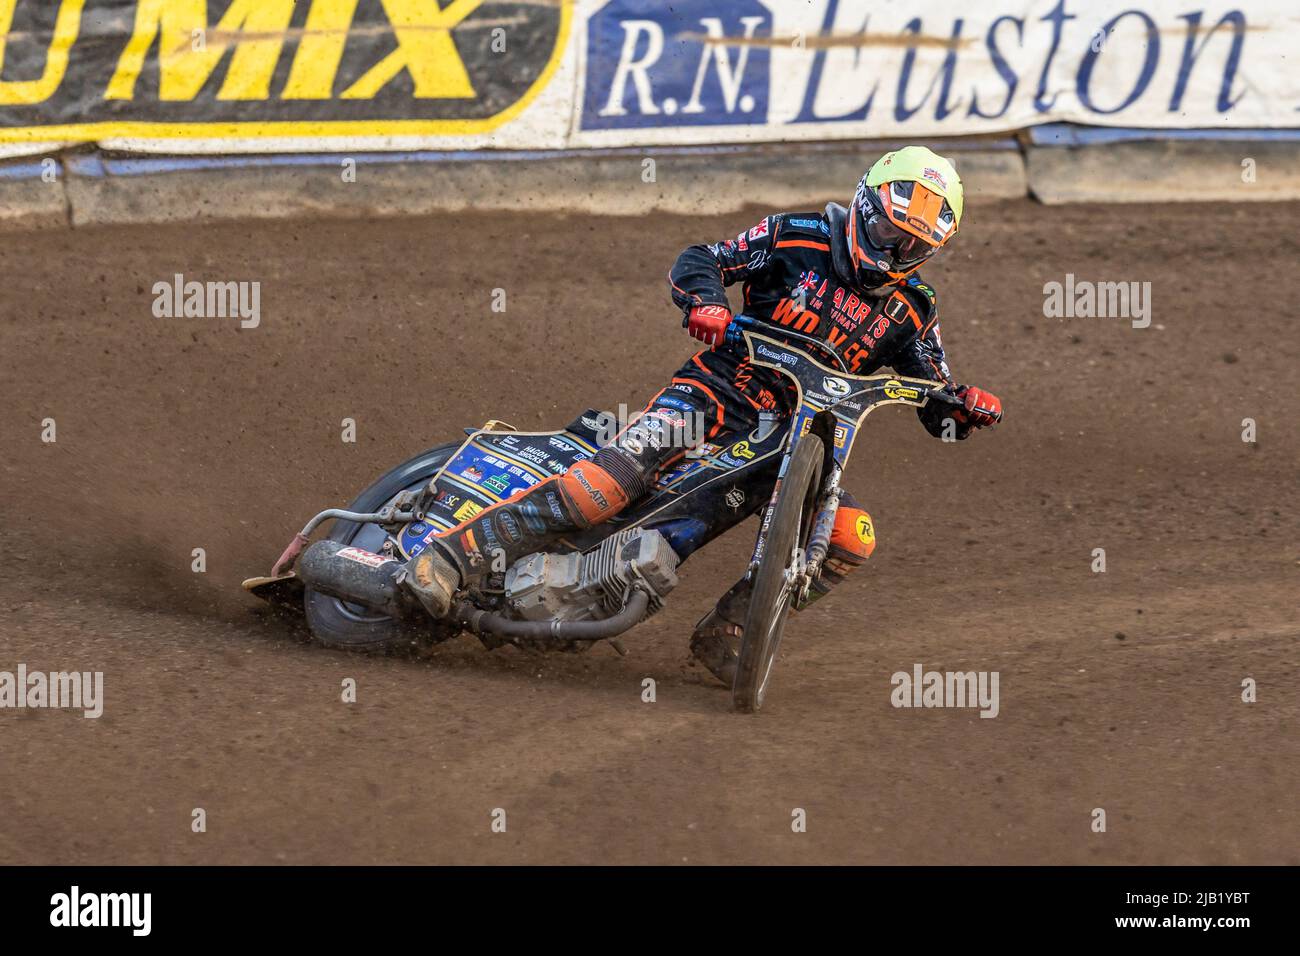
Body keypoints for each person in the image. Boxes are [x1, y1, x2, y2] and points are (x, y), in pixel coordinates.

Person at [405, 145, 1003, 684]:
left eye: (913, 246)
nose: (893, 252)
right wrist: (709, 303)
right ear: (864, 202)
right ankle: (450, 558)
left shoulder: (914, 305)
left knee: (850, 536)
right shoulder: (796, 233)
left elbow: (933, 395)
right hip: (716, 391)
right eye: (885, 231)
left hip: (801, 439)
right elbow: (703, 258)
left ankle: (732, 629)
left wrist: (963, 406)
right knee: (604, 487)